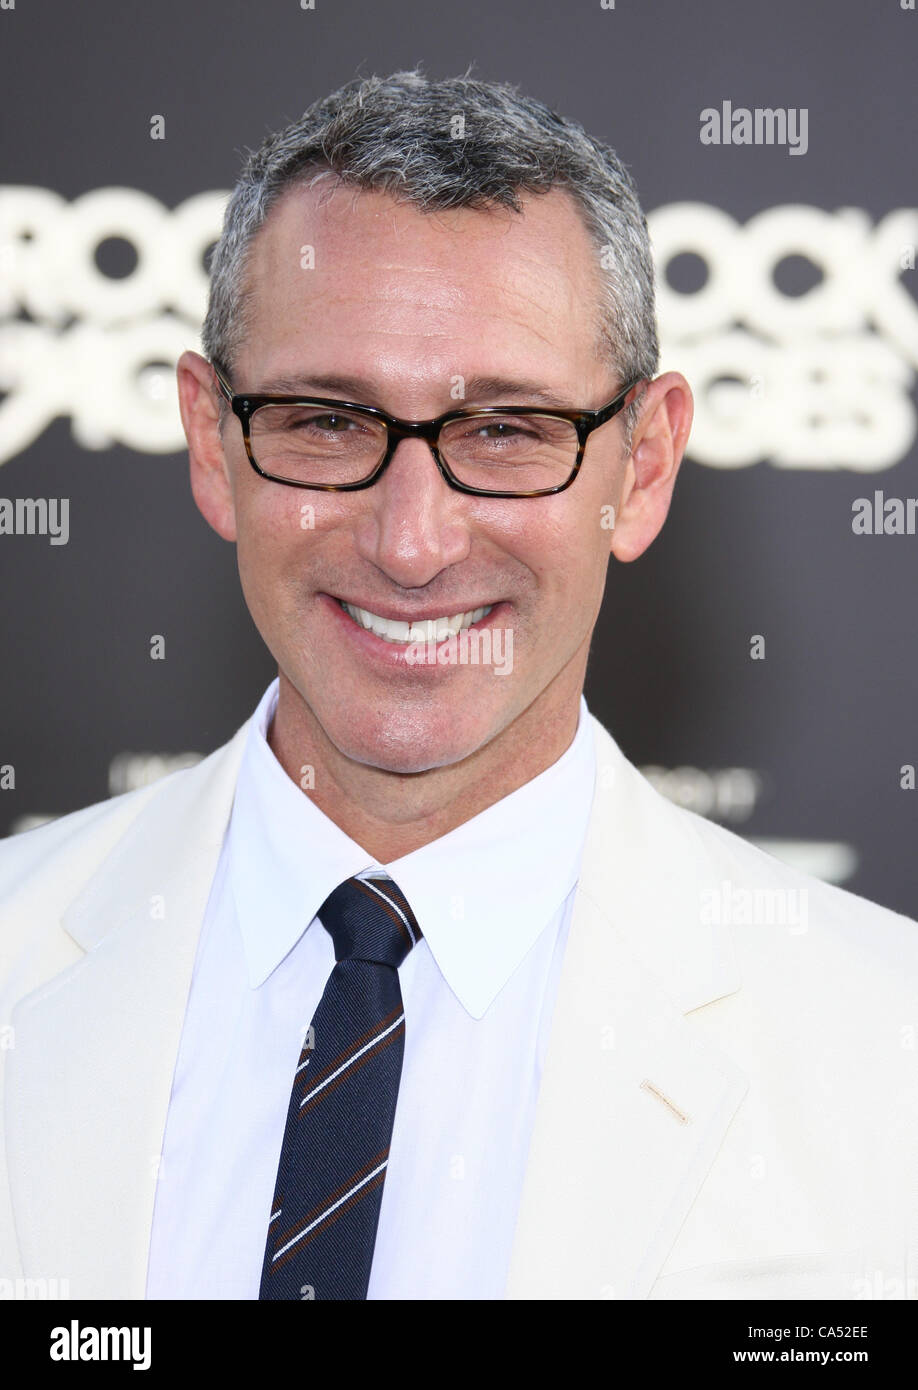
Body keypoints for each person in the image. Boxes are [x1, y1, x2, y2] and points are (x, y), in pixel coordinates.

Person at [1, 69, 916, 1303]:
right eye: (327, 420)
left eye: (505, 431)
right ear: (214, 443)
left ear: (641, 469)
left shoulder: (883, 1053)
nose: (413, 542)